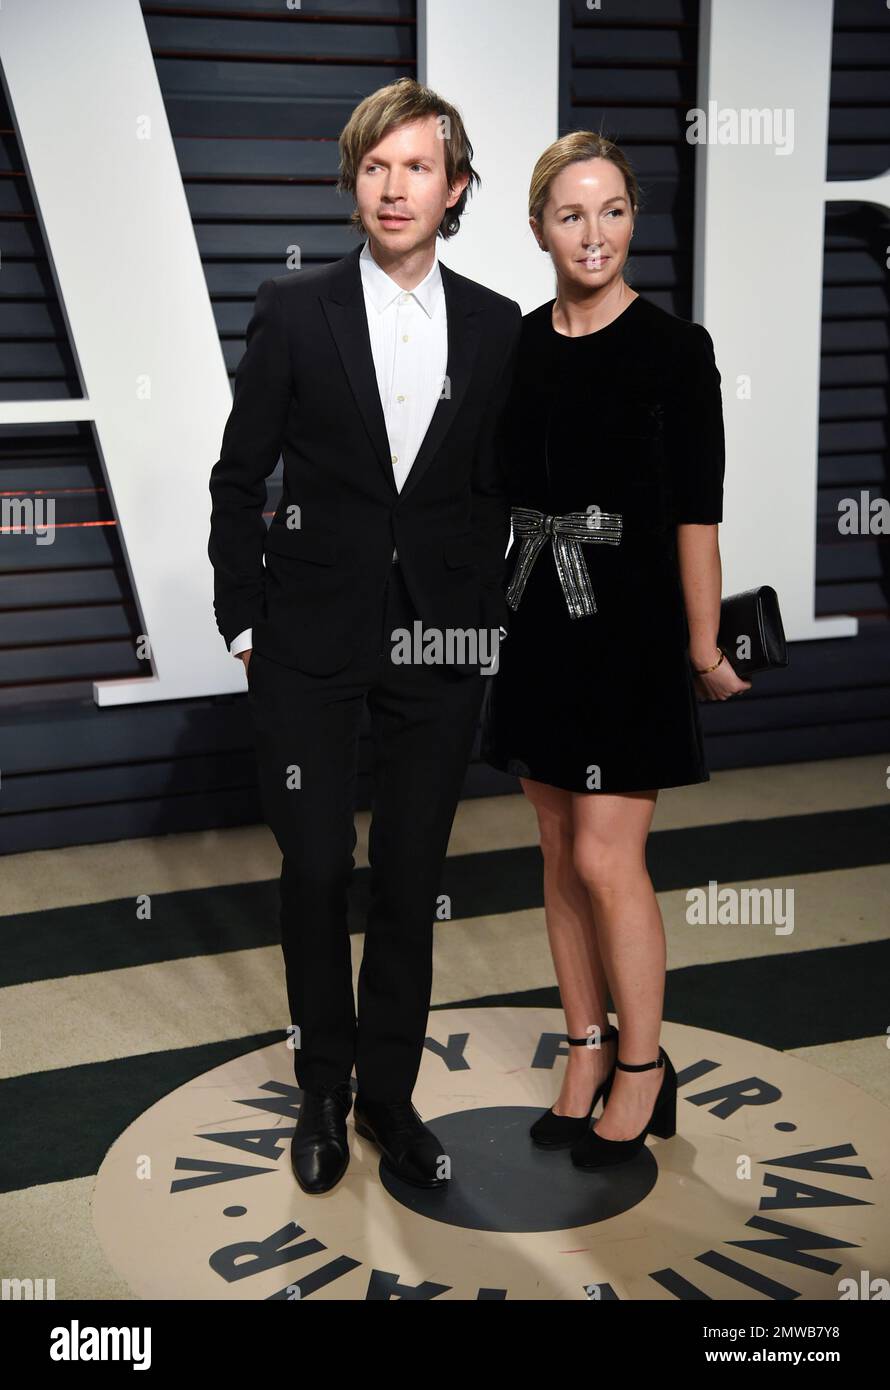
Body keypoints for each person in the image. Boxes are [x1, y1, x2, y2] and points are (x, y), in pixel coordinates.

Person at [208, 78, 520, 1194]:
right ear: (353, 182)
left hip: (438, 643)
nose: (394, 187)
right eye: (374, 166)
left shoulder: (492, 325)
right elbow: (239, 474)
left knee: (408, 870)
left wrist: (480, 615)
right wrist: (241, 617)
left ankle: (388, 1092)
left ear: (455, 189)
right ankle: (322, 1090)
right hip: (305, 635)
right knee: (313, 864)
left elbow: (492, 488)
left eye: (417, 168)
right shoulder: (292, 309)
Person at [480, 131, 750, 1170]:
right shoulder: (517, 345)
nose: (592, 234)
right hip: (538, 614)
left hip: (629, 624)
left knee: (605, 854)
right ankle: (584, 1049)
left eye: (610, 212)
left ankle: (643, 1066)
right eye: (569, 214)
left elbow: (694, 512)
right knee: (555, 853)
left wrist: (698, 644)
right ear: (539, 226)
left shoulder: (674, 350)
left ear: (632, 219)